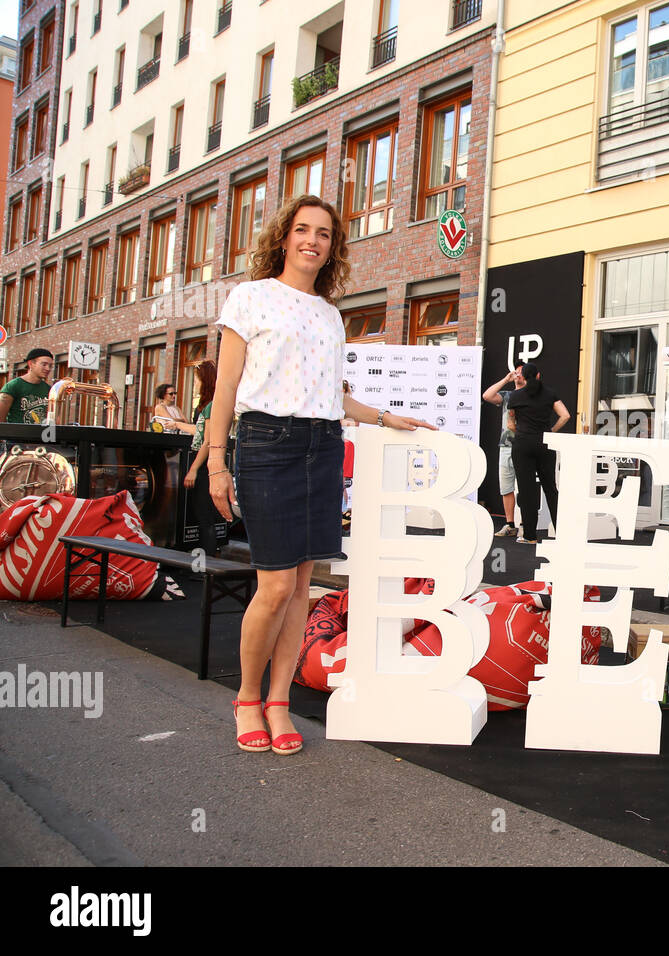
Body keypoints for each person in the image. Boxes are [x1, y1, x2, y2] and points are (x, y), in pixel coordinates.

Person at [207, 195, 433, 757]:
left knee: (302, 588)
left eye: (324, 233)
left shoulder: (330, 314)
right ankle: (246, 699)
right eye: (303, 230)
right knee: (275, 586)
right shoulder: (250, 297)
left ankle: (279, 703)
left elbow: (331, 394)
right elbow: (226, 387)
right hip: (266, 443)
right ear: (284, 237)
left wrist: (383, 417)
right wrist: (216, 460)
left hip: (323, 446)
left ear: (333, 247)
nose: (312, 240)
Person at [496, 363, 569, 544]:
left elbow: (510, 424)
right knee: (551, 488)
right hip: (545, 445)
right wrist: (551, 431)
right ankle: (563, 533)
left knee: (527, 491)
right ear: (538, 375)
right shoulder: (550, 394)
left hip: (522, 445)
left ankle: (530, 536)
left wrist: (522, 432)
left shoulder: (515, 396)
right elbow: (565, 415)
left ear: (524, 377)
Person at [183, 361, 221, 556]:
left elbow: (207, 441)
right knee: (204, 516)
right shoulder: (211, 405)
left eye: (197, 379)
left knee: (204, 517)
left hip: (204, 465)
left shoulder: (211, 406)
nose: (195, 383)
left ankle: (207, 563)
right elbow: (201, 433)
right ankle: (206, 561)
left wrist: (193, 469)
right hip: (205, 463)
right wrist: (177, 425)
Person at [482, 367, 522, 537]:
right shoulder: (507, 395)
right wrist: (506, 379)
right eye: (516, 372)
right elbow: (487, 396)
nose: (518, 375)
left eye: (522, 372)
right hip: (506, 445)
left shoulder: (533, 396)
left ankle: (525, 524)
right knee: (506, 487)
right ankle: (510, 524)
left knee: (525, 487)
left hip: (524, 445)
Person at [0, 348, 55, 424]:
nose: (48, 368)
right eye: (44, 364)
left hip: (41, 431)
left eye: (50, 365)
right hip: (17, 431)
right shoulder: (13, 386)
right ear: (31, 364)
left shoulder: (49, 389)